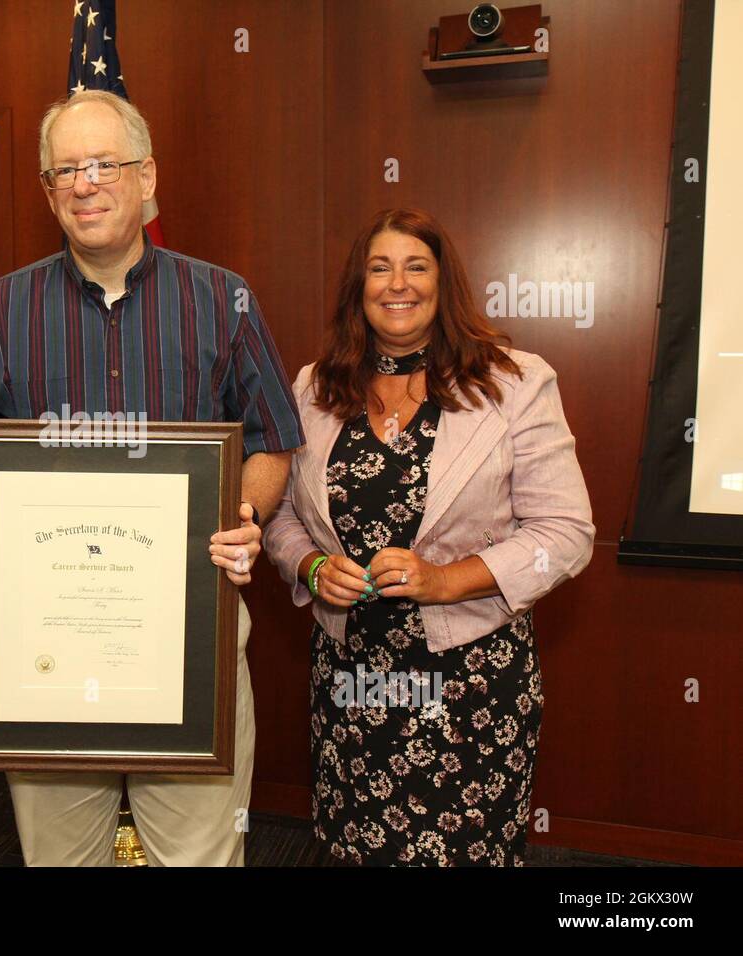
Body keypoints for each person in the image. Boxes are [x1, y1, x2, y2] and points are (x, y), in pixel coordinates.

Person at [0, 90, 305, 866]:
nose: (84, 184)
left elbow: (273, 442)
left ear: (147, 175)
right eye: (64, 170)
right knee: (60, 858)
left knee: (197, 856)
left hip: (190, 622)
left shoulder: (221, 300)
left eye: (104, 164)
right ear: (47, 190)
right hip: (44, 638)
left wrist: (242, 513)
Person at [263, 207, 594, 865]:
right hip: (351, 678)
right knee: (358, 847)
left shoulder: (515, 383)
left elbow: (566, 532)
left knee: (463, 853)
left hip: (471, 678)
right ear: (359, 288)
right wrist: (309, 567)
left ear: (444, 284)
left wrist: (443, 579)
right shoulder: (312, 388)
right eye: (379, 268)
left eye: (417, 266)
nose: (398, 283)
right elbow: (280, 517)